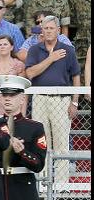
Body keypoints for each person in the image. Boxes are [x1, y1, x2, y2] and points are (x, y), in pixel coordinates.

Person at [23, 15, 81, 185]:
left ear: (58, 30)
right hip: (40, 99)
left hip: (61, 100)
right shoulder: (34, 50)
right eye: (45, 28)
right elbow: (30, 73)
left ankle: (62, 186)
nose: (47, 31)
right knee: (41, 143)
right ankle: (43, 184)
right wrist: (51, 58)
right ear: (42, 30)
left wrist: (75, 101)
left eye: (51, 28)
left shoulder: (68, 50)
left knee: (62, 143)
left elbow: (76, 76)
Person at [0, 36, 26, 116]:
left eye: (5, 44)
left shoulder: (19, 65)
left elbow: (23, 90)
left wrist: (22, 113)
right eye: (0, 45)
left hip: (13, 108)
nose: (2, 46)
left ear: (11, 47)